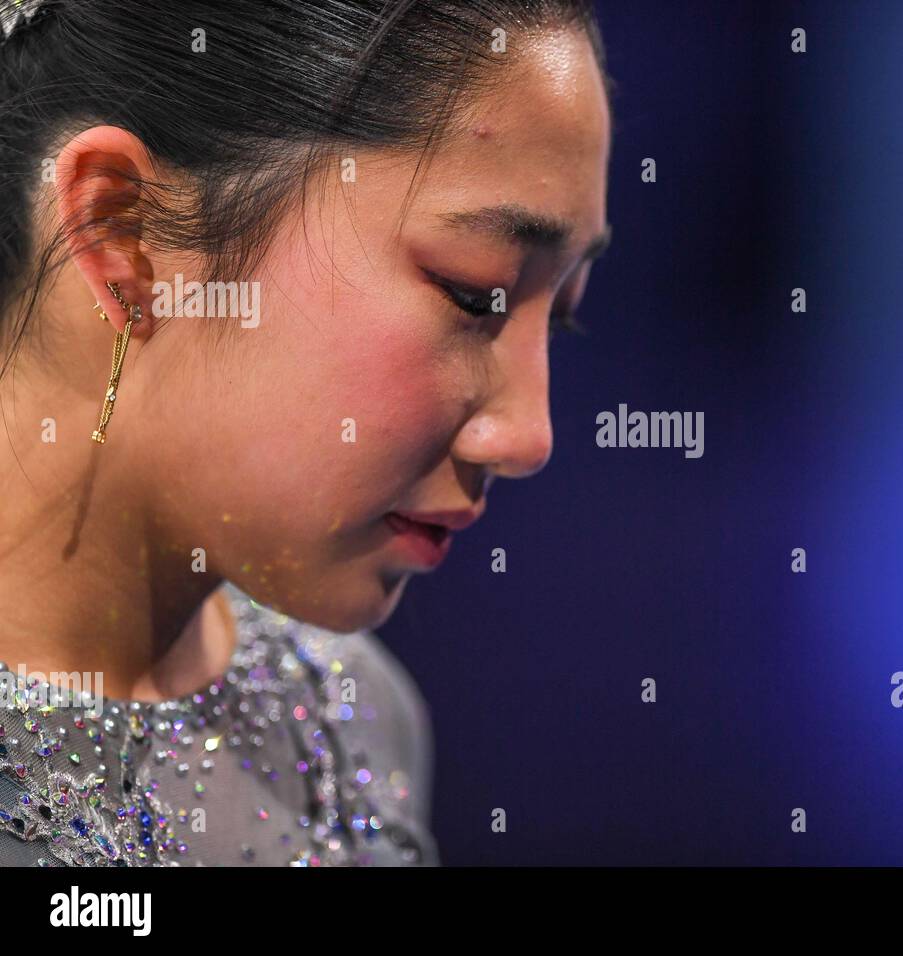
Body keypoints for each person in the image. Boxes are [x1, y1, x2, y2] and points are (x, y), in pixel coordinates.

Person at [0, 0, 613, 866]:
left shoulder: (354, 717)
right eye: (476, 293)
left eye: (565, 318)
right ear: (123, 236)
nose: (527, 437)